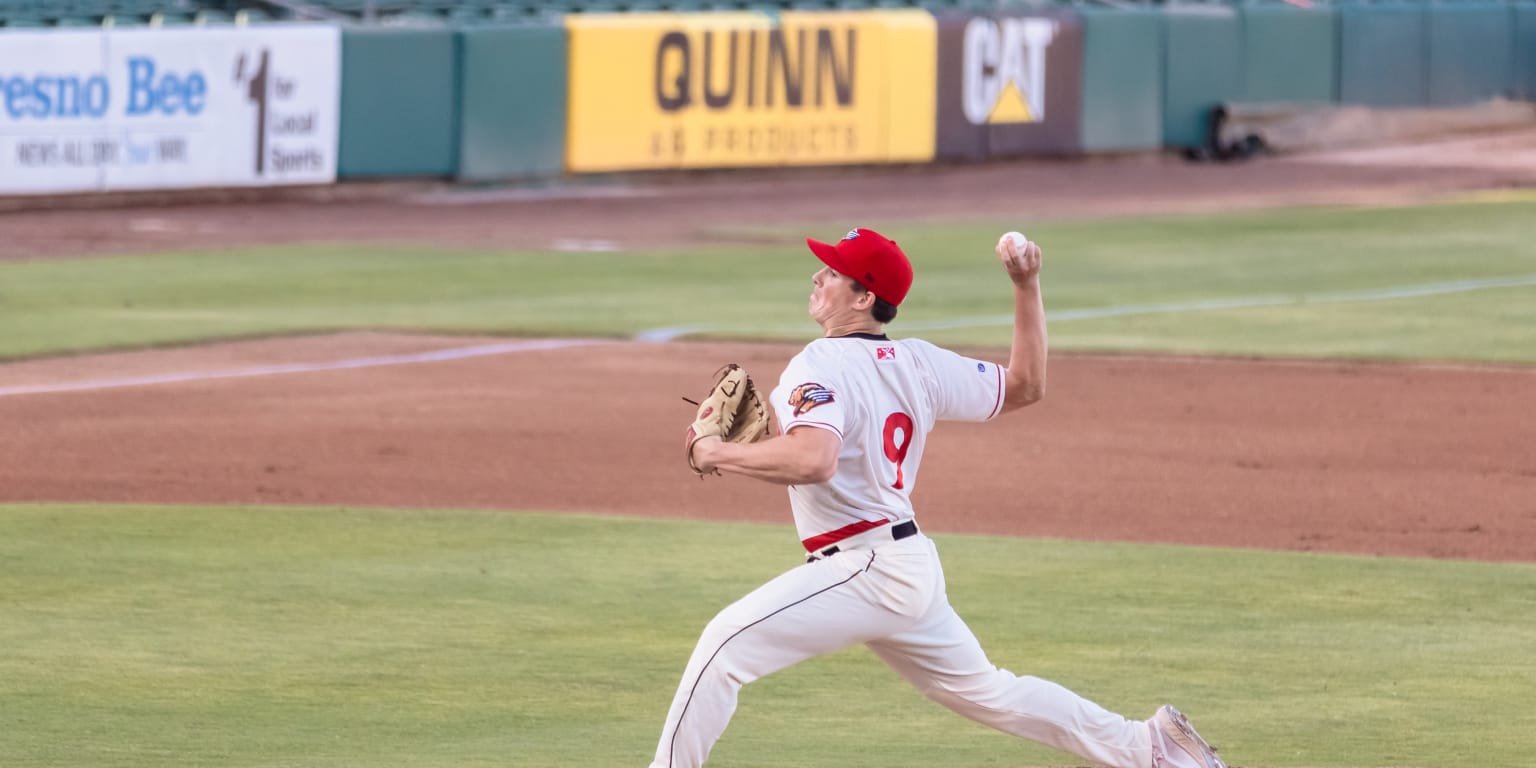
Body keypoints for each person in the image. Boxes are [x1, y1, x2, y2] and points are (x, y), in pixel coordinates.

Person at [651, 227, 1227, 768]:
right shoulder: (919, 362)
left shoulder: (818, 362)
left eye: (833, 271)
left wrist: (715, 454)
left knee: (723, 645)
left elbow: (814, 460)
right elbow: (1026, 385)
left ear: (862, 298)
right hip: (906, 567)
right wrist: (1025, 287)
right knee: (991, 692)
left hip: (865, 567)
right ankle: (1152, 747)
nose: (818, 276)